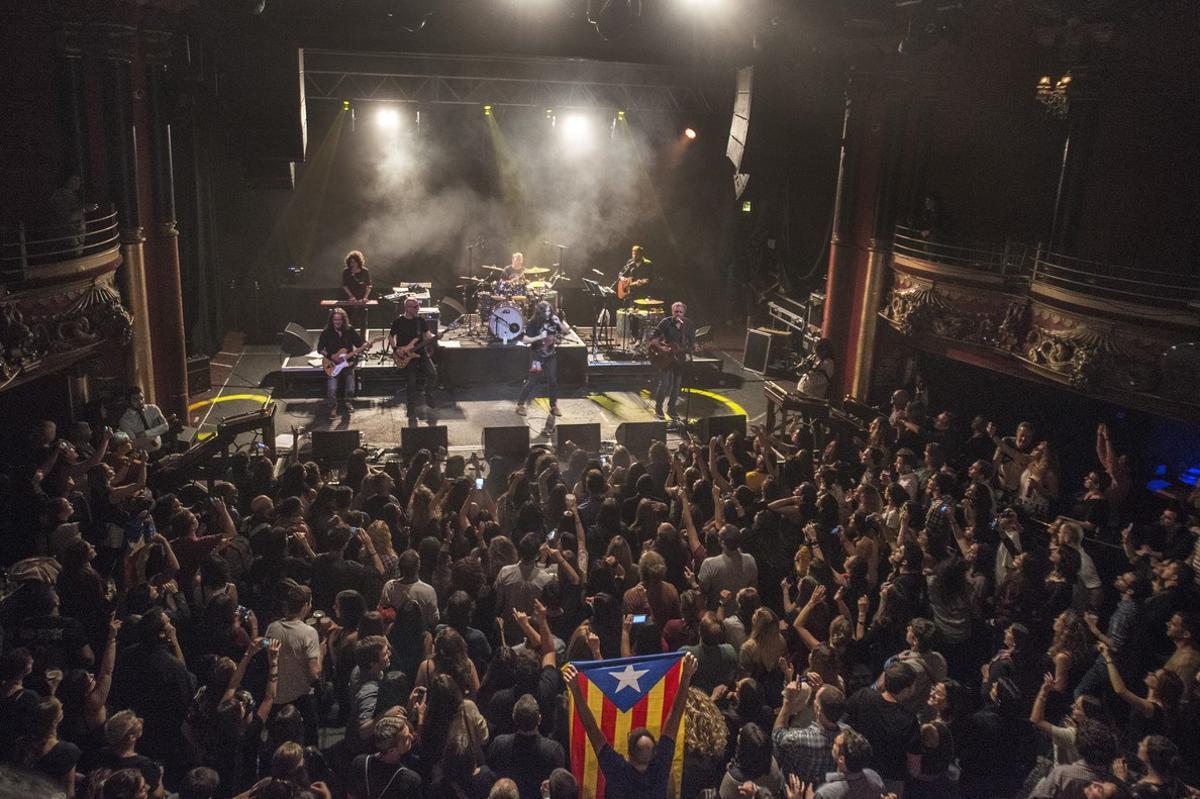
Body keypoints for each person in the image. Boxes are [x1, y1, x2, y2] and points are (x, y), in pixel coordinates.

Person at [561, 651, 697, 799]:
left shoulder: (617, 771)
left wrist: (576, 690)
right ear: (654, 753)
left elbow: (592, 730)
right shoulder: (660, 767)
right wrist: (686, 678)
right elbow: (675, 716)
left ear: (629, 753)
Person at [485, 693, 566, 799]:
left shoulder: (499, 744)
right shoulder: (553, 751)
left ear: (514, 718)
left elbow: (490, 772)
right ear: (539, 720)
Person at [515, 301, 572, 418]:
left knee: (552, 380)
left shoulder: (553, 320)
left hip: (551, 354)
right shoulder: (534, 322)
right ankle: (520, 404)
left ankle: (553, 406)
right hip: (537, 355)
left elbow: (566, 331)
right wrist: (539, 337)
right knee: (532, 381)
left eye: (549, 311)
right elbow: (525, 340)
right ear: (540, 312)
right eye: (545, 311)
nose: (548, 313)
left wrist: (559, 322)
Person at [347, 715, 421, 799]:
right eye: (406, 739)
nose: (411, 736)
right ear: (392, 750)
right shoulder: (409, 779)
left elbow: (351, 796)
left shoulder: (360, 762)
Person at [389, 295, 438, 420]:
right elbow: (391, 337)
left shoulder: (420, 321)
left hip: (420, 353)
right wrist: (396, 349)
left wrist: (435, 336)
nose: (418, 308)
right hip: (406, 355)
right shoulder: (398, 322)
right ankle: (411, 408)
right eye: (415, 306)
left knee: (432, 373)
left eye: (418, 306)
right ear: (407, 308)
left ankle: (428, 394)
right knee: (411, 382)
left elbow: (427, 335)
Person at [648, 301, 697, 421]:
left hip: (679, 358)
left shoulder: (688, 324)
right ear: (672, 312)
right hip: (666, 358)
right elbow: (653, 339)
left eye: (680, 312)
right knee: (665, 384)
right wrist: (662, 349)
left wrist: (694, 346)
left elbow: (692, 340)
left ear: (684, 313)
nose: (678, 314)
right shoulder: (666, 322)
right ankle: (658, 407)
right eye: (676, 312)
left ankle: (671, 408)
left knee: (676, 385)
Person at [810, 729, 886, 799]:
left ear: (841, 759)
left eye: (835, 743)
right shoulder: (874, 777)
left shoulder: (826, 794)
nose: (833, 741)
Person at [317, 306, 367, 413]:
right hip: (332, 364)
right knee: (332, 389)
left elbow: (359, 343)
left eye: (339, 320)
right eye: (335, 320)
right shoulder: (326, 332)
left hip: (348, 364)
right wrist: (331, 356)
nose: (337, 322)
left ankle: (348, 402)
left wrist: (366, 345)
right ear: (332, 320)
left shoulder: (349, 330)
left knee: (350, 389)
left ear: (343, 320)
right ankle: (333, 407)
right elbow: (320, 349)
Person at [118, 388, 171, 453]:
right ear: (128, 401)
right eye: (135, 400)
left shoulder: (153, 409)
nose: (140, 402)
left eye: (142, 398)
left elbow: (165, 426)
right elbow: (134, 441)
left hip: (160, 450)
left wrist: (144, 433)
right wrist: (156, 430)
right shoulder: (125, 420)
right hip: (141, 455)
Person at [342, 249, 373, 328]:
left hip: (362, 298)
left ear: (359, 262)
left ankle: (363, 337)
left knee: (363, 319)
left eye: (354, 262)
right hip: (350, 298)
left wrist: (365, 298)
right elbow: (345, 285)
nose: (353, 264)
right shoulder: (346, 271)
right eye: (351, 262)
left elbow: (369, 286)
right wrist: (351, 296)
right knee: (348, 319)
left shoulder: (364, 271)